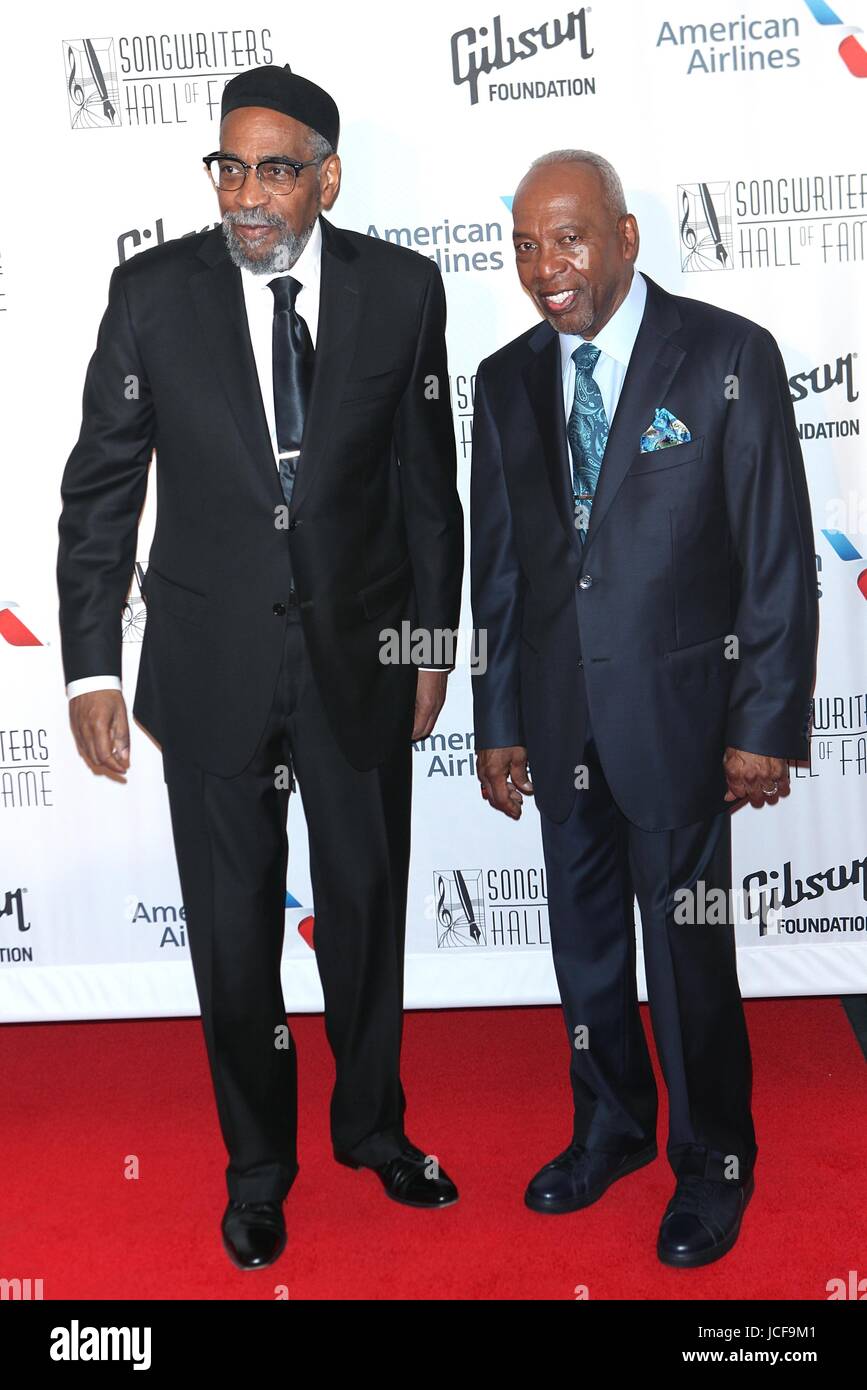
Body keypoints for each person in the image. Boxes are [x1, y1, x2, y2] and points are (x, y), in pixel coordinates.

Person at [57, 65, 464, 1271]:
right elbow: (100, 491)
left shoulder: (403, 290)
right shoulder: (151, 294)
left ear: (325, 178)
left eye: (273, 169)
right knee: (234, 935)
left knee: (369, 913)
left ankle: (375, 1127)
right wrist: (88, 667)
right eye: (227, 166)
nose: (245, 193)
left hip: (360, 662)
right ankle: (257, 1167)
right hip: (213, 665)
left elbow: (424, 488)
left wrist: (431, 644)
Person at [470, 150, 817, 1268]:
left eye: (566, 238)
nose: (544, 267)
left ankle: (713, 1159)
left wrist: (763, 724)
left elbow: (774, 556)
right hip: (562, 726)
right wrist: (499, 720)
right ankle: (611, 1128)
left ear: (625, 234)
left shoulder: (725, 355)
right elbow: (503, 573)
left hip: (681, 723)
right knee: (586, 962)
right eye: (524, 245)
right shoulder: (505, 378)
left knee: (688, 962)